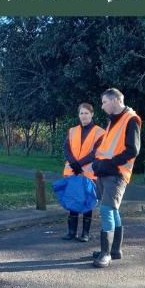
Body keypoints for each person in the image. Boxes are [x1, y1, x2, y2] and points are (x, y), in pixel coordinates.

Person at [90, 88, 142, 268]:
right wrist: (98, 162)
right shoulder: (113, 120)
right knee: (112, 210)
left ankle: (106, 254)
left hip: (117, 173)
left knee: (106, 209)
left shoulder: (131, 119)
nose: (102, 106)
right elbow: (108, 146)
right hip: (106, 172)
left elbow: (133, 150)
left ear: (114, 100)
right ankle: (115, 250)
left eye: (104, 102)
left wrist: (109, 164)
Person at [60, 102, 105, 242]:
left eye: (86, 113)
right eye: (81, 113)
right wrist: (74, 163)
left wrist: (79, 164)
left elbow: (96, 152)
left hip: (88, 173)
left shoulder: (100, 132)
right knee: (73, 202)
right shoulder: (72, 130)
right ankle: (71, 232)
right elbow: (66, 148)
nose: (83, 116)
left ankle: (85, 233)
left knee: (87, 203)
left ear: (92, 114)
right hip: (73, 172)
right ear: (78, 115)